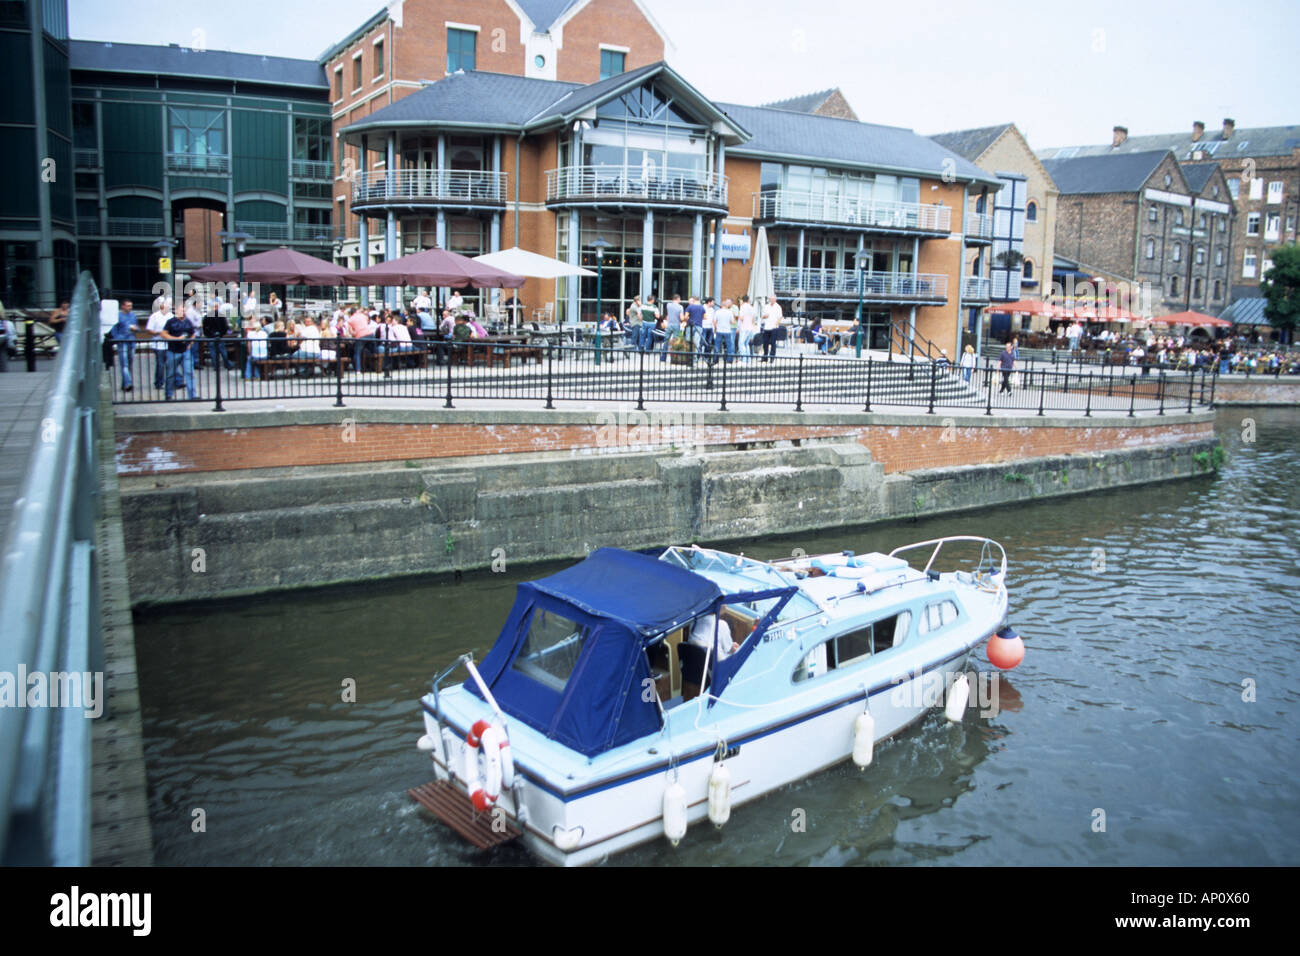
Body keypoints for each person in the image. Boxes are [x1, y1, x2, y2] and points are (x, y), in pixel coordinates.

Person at [159, 307, 196, 400]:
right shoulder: (170, 322)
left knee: (189, 372)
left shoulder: (188, 322)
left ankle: (192, 395)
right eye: (181, 310)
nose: (183, 312)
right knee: (170, 374)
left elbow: (192, 333)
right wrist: (176, 339)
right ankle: (168, 394)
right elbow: (163, 334)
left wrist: (190, 343)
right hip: (173, 351)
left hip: (185, 350)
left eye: (184, 310)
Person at [110, 299, 138, 391]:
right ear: (123, 306)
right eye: (128, 305)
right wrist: (118, 338)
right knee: (124, 364)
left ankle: (125, 384)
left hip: (131, 341)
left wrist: (135, 329)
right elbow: (114, 331)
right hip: (122, 342)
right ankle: (128, 383)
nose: (130, 307)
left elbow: (137, 328)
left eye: (131, 305)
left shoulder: (133, 315)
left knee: (129, 364)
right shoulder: (117, 316)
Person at [146, 298, 172, 390]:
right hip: (158, 344)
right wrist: (158, 333)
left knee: (170, 364)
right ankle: (159, 382)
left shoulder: (171, 316)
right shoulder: (154, 316)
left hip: (169, 344)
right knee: (160, 365)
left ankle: (171, 382)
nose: (168, 307)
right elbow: (149, 330)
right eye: (167, 305)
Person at [760, 298, 783, 362]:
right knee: (765, 343)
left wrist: (777, 324)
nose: (772, 301)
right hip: (766, 327)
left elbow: (780, 317)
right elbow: (762, 316)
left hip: (774, 327)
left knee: (773, 343)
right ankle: (765, 356)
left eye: (773, 299)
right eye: (771, 299)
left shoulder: (778, 307)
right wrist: (765, 316)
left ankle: (772, 357)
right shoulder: (766, 306)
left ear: (775, 300)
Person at [737, 295, 757, 361]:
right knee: (746, 344)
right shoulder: (752, 307)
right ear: (748, 300)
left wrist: (738, 327)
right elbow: (753, 319)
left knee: (741, 343)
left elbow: (741, 318)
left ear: (742, 300)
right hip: (750, 328)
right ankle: (748, 359)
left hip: (743, 327)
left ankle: (743, 359)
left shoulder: (742, 307)